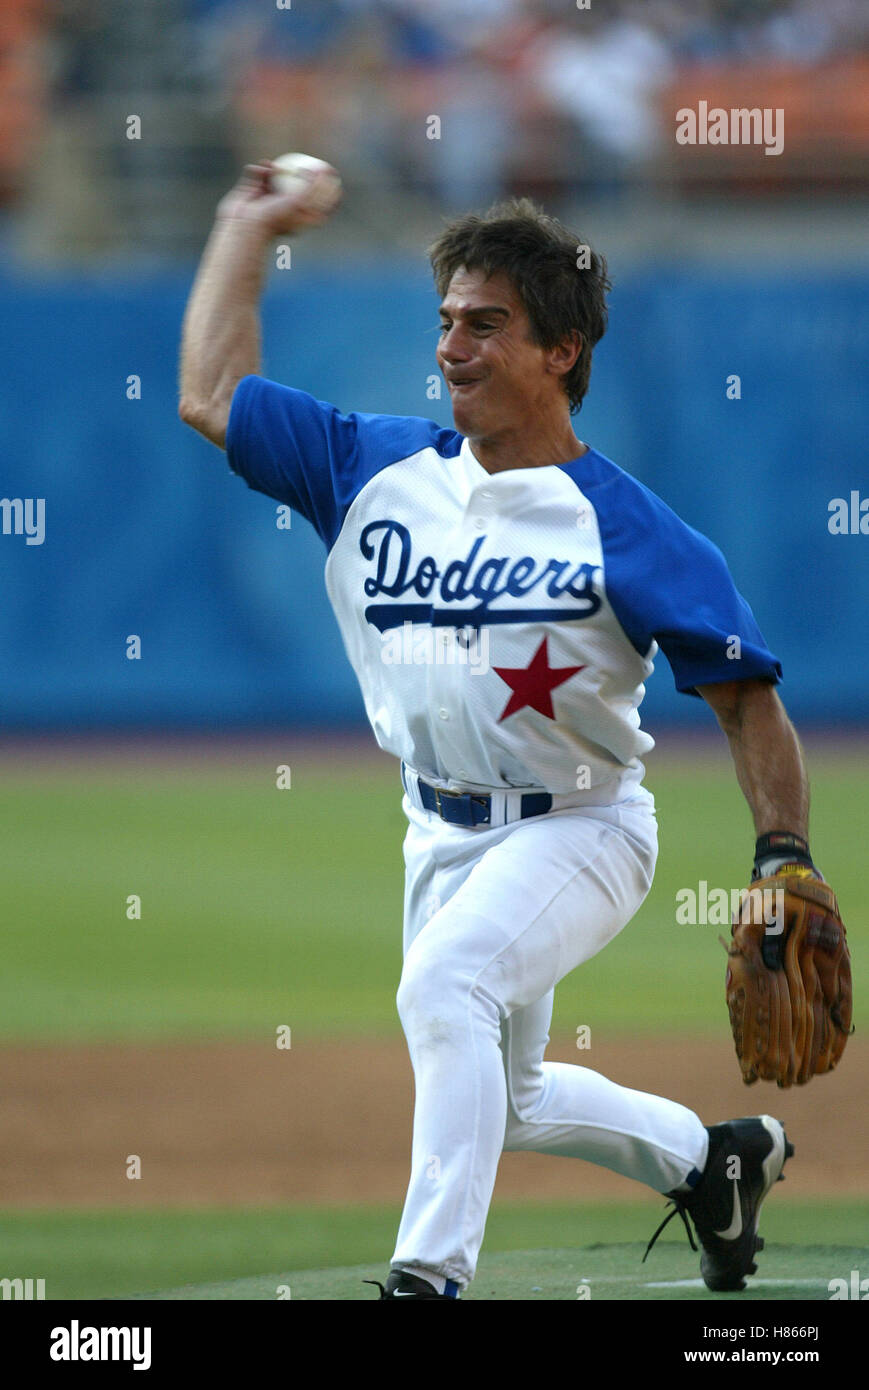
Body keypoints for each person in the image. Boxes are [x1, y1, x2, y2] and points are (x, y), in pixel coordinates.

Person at [179, 162, 808, 1301]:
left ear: (560, 350)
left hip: (581, 827)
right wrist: (242, 222)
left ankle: (426, 1278)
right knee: (507, 1097)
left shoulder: (628, 529)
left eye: (486, 324)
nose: (452, 346)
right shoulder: (373, 467)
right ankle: (712, 1161)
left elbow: (744, 697)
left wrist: (780, 854)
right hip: (437, 829)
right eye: (444, 322)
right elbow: (212, 392)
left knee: (443, 990)